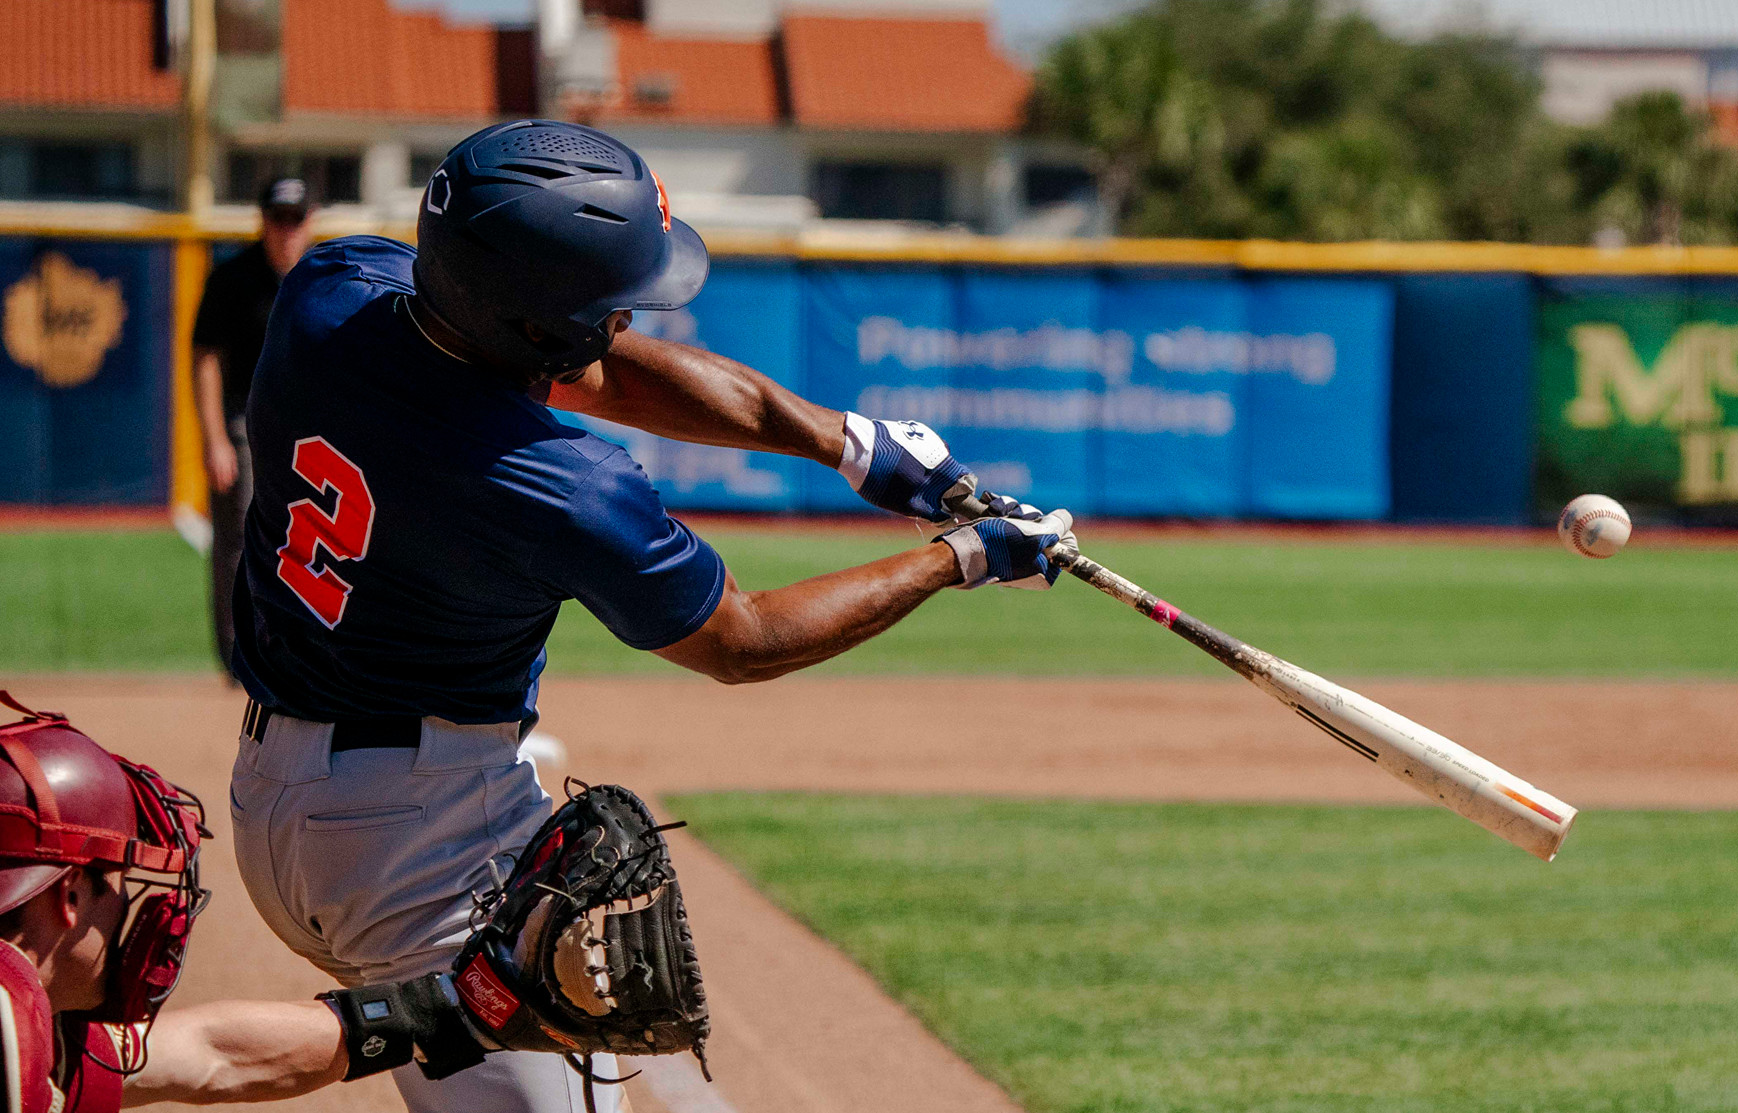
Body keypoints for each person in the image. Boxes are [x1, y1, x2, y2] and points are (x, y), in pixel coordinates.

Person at [226, 119, 1072, 1113]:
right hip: (423, 849)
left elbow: (601, 368)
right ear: (538, 327)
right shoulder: (560, 484)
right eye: (610, 304)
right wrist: (960, 558)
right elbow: (742, 640)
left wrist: (850, 445)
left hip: (270, 803)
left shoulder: (331, 292)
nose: (627, 318)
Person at [0, 691, 502, 1110]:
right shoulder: (9, 1018)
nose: (126, 907)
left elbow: (212, 1054)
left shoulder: (27, 1022)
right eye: (117, 882)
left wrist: (445, 1012)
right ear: (68, 894)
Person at [190, 178, 314, 678]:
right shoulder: (232, 278)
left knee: (307, 538)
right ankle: (238, 655)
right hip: (243, 423)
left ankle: (295, 653)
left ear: (311, 221)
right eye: (278, 217)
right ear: (262, 220)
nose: (286, 229)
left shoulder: (320, 277)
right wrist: (214, 437)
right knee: (239, 539)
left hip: (305, 426)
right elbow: (205, 359)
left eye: (295, 218)